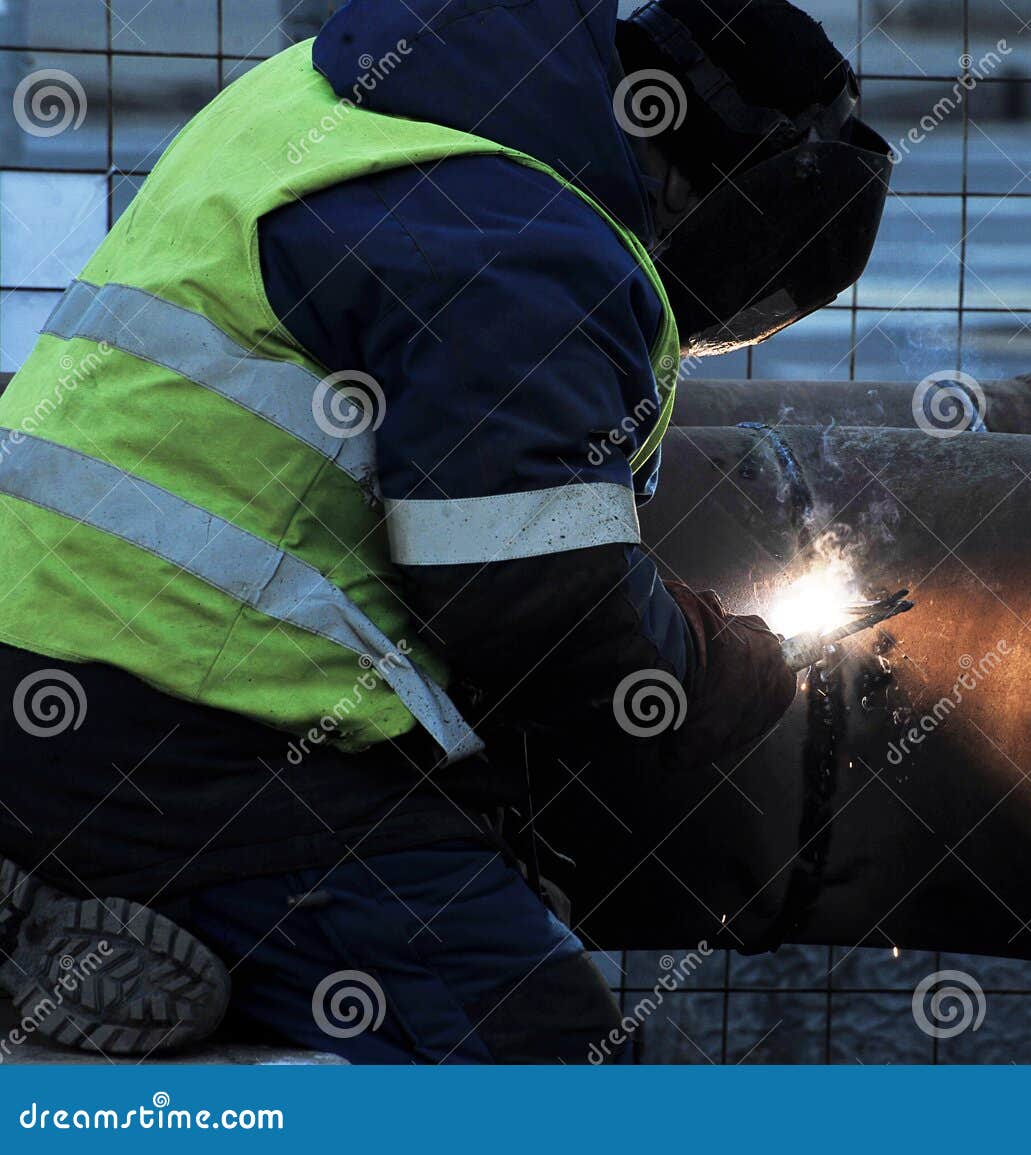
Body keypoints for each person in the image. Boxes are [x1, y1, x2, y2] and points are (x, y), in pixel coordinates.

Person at [0, 0, 888, 1062]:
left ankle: (84, 899)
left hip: (50, 679)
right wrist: (714, 673)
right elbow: (534, 610)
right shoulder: (522, 240)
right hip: (201, 745)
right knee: (544, 1048)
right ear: (726, 188)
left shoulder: (337, 94)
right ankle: (141, 883)